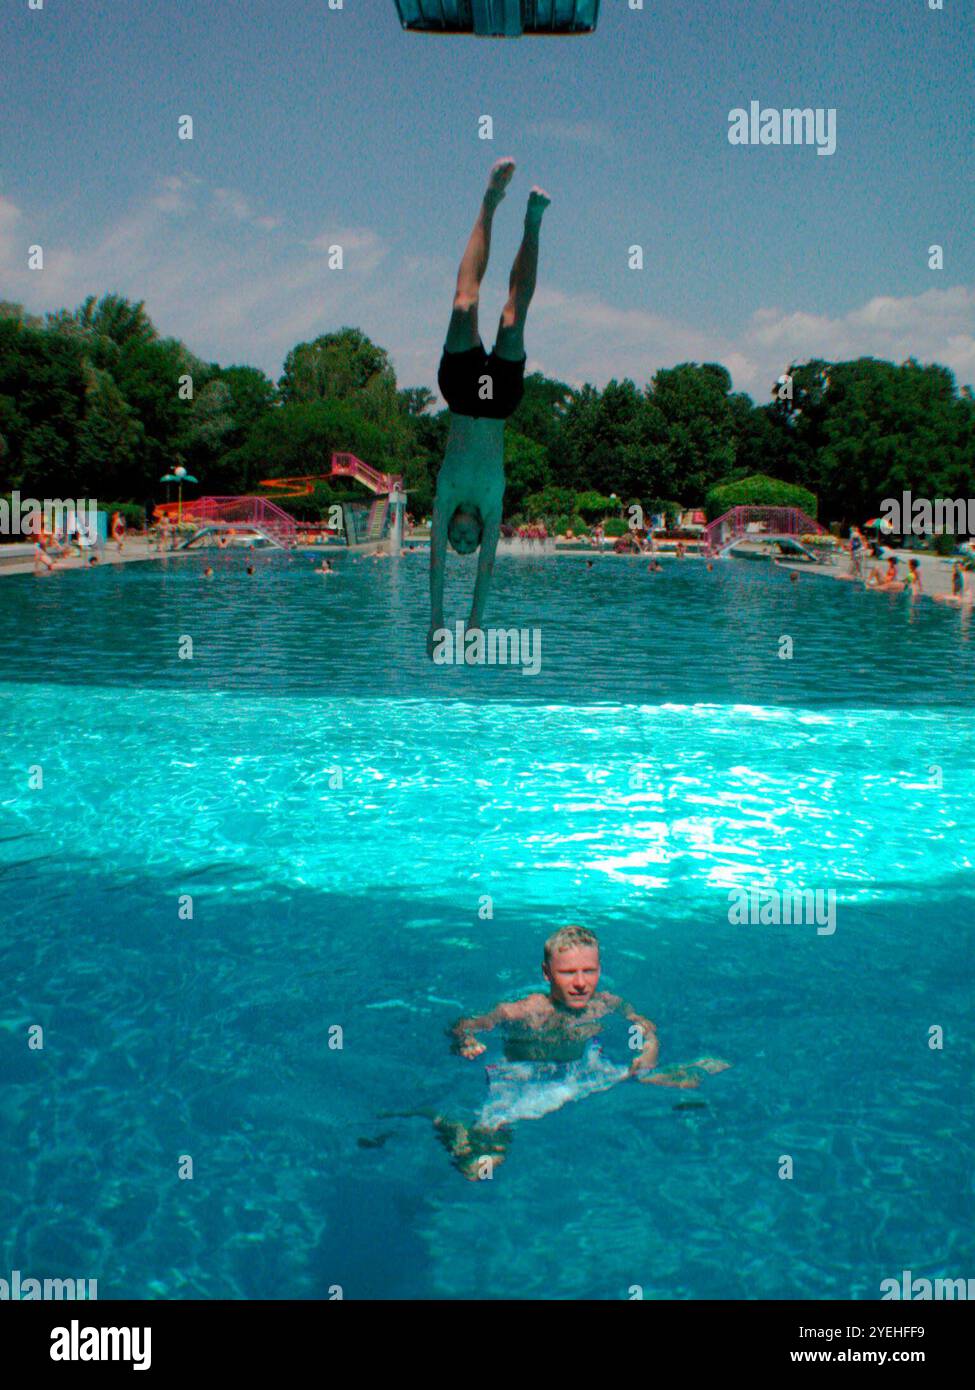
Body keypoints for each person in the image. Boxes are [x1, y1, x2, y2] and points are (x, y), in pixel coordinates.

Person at [433, 925, 729, 1181]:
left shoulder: (607, 1003)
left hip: (581, 1066)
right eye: (567, 973)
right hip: (522, 1073)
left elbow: (643, 1025)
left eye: (589, 971)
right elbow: (465, 1025)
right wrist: (466, 1040)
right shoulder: (525, 1009)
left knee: (650, 1073)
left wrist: (650, 1048)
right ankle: (447, 1121)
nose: (580, 983)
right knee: (484, 1153)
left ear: (600, 969)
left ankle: (660, 1073)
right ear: (547, 973)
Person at [428, 158, 550, 657]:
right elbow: (486, 571)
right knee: (511, 316)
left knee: (463, 303)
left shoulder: (441, 498)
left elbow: (434, 566)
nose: (456, 542)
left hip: (460, 395)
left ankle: (489, 200)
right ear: (479, 532)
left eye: (452, 541)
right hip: (498, 403)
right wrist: (474, 623)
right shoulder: (494, 505)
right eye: (465, 543)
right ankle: (533, 222)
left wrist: (439, 622)